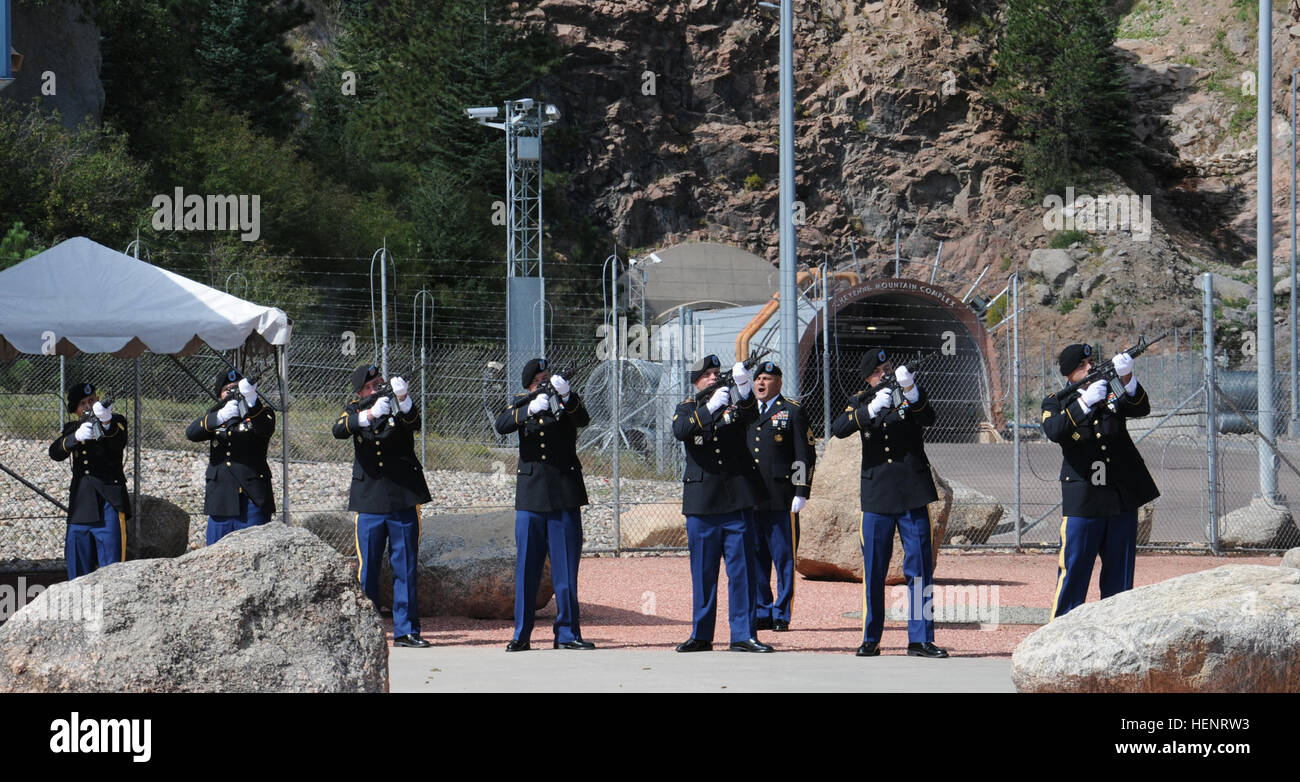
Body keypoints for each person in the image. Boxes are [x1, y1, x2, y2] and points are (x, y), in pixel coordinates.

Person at [831, 348, 947, 658]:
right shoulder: (860, 401)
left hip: (912, 491)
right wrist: (870, 411)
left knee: (919, 567)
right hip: (878, 495)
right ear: (869, 377)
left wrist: (910, 388)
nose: (886, 374)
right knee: (874, 569)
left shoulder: (909, 394)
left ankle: (920, 639)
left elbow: (929, 417)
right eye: (879, 371)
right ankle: (871, 638)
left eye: (888, 368)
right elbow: (839, 429)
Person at [1041, 343, 1159, 619]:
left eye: (1090, 363)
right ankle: (1060, 637)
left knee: (1120, 578)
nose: (1090, 368)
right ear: (1070, 375)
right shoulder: (1056, 401)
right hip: (1084, 499)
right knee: (1074, 571)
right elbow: (1054, 430)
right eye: (1082, 366)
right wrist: (1084, 403)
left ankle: (1116, 633)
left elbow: (1140, 408)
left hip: (1120, 497)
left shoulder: (1111, 388)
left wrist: (1127, 377)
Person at [671, 354, 772, 653]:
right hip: (702, 504)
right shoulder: (687, 408)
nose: (714, 378)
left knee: (742, 572)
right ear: (696, 381)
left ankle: (743, 634)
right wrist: (710, 407)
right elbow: (682, 431)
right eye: (708, 375)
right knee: (703, 573)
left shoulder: (734, 404)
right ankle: (701, 634)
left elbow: (750, 414)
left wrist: (743, 385)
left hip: (736, 499)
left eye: (717, 373)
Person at [494, 358, 594, 651]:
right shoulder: (522, 403)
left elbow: (583, 419)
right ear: (528, 385)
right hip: (532, 497)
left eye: (548, 378)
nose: (546, 384)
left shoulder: (564, 403)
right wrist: (529, 408)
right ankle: (521, 634)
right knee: (527, 569)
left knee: (565, 571)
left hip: (564, 494)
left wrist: (565, 395)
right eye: (540, 381)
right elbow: (501, 425)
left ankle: (567, 633)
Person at [332, 364, 432, 648]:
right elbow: (339, 429)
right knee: (368, 569)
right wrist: (369, 414)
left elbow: (415, 422)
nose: (377, 388)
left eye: (379, 383)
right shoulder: (355, 409)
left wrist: (403, 399)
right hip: (370, 500)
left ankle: (407, 631)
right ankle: (367, 630)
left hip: (403, 496)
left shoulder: (398, 405)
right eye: (371, 386)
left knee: (406, 567)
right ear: (361, 392)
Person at [747, 361, 815, 632]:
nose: (761, 383)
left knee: (783, 557)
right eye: (758, 378)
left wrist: (801, 491)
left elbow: (804, 455)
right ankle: (762, 610)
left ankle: (781, 614)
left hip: (781, 498)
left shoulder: (792, 411)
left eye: (767, 378)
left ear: (779, 383)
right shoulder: (747, 411)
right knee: (756, 557)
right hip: (752, 498)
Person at [48, 382, 130, 580]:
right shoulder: (73, 428)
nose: (88, 406)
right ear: (75, 410)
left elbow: (118, 442)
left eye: (91, 400)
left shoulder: (115, 421)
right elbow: (55, 452)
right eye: (82, 403)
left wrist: (106, 421)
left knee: (112, 568)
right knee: (77, 567)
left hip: (108, 502)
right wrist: (74, 438)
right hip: (81, 504)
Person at [185, 369, 276, 545]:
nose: (233, 393)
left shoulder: (259, 413)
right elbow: (192, 433)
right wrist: (220, 416)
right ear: (220, 395)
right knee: (215, 556)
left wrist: (251, 400)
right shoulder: (217, 417)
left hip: (252, 500)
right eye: (228, 390)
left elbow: (264, 428)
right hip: (221, 499)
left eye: (237, 388)